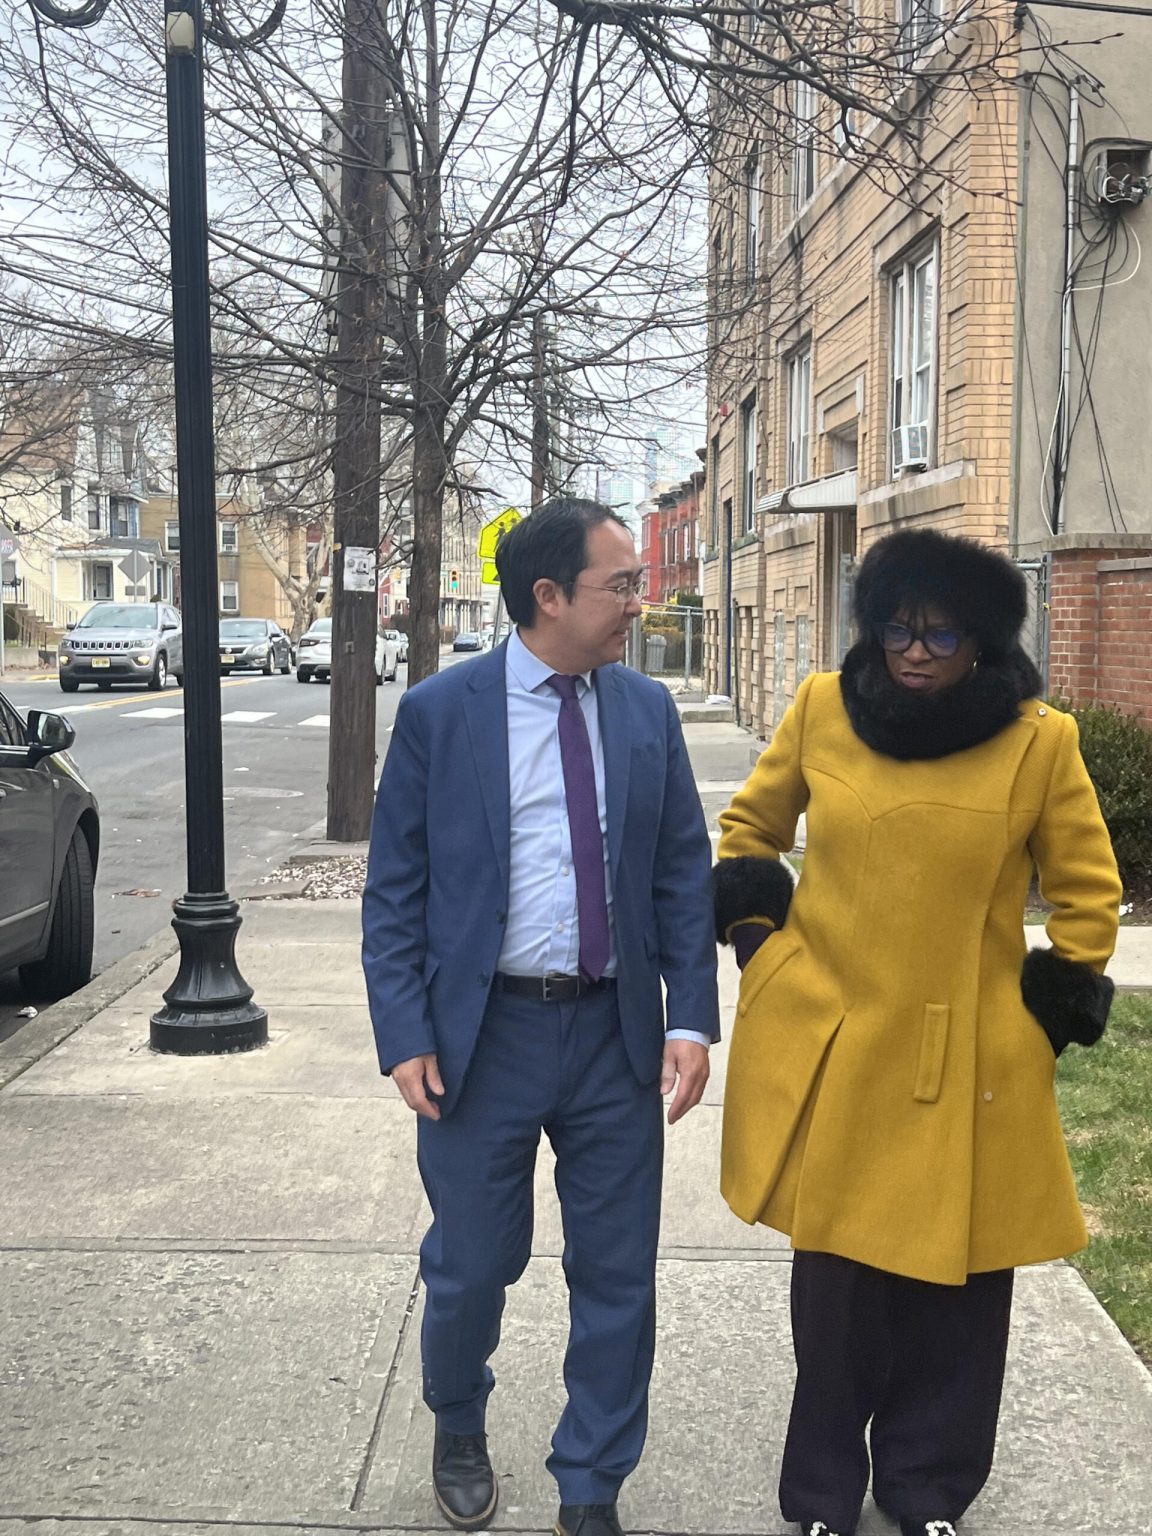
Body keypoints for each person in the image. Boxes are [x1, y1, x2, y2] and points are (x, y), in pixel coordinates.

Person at [712, 529, 1121, 1536]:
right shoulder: (823, 708)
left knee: (959, 1300)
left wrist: (1041, 1018)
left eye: (941, 634)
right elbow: (750, 830)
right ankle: (820, 1496)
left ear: (982, 641)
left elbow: (1087, 895)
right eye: (898, 628)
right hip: (840, 1045)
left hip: (967, 1059)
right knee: (836, 1301)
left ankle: (927, 1488)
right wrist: (763, 948)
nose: (916, 652)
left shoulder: (1039, 743)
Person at [363, 497, 720, 1536]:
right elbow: (395, 890)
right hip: (483, 1039)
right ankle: (457, 1418)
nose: (638, 603)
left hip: (614, 1035)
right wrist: (404, 1032)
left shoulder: (645, 711)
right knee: (472, 1263)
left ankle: (591, 1483)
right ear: (549, 596)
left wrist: (690, 1019)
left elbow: (680, 870)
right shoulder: (442, 713)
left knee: (618, 1272)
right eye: (621, 585)